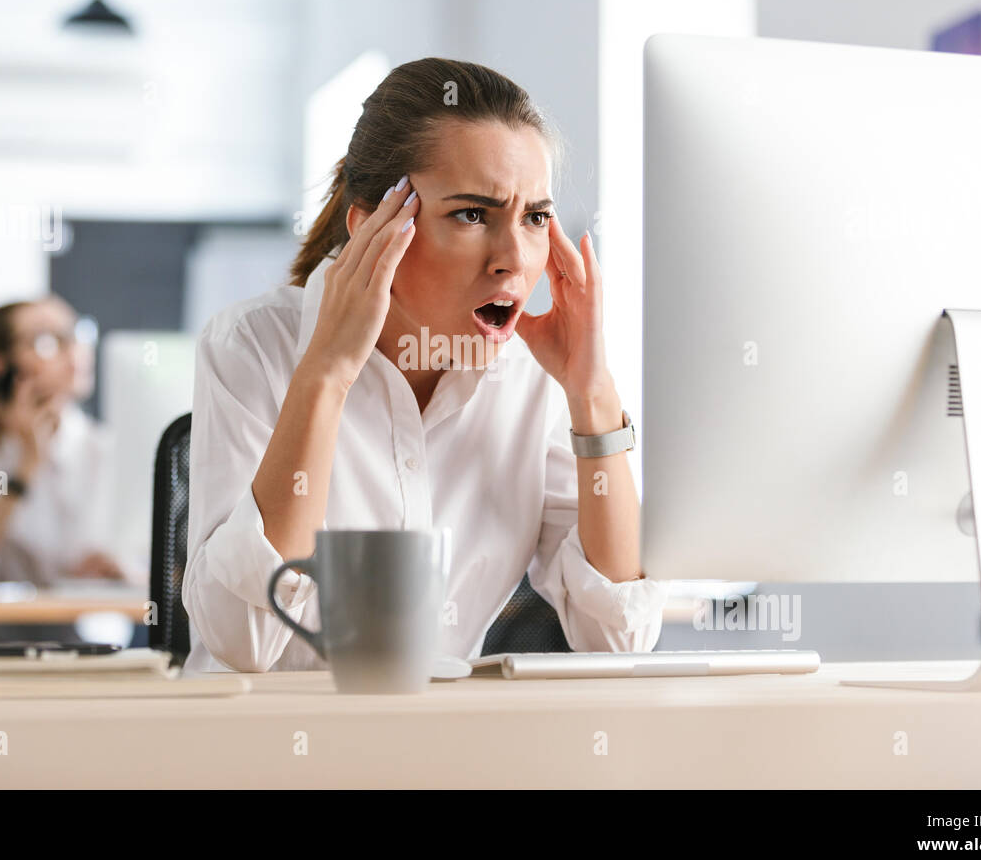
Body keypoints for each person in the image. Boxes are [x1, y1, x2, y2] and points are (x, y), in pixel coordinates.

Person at [183, 57, 670, 673]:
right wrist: (326, 377)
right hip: (263, 756)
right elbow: (241, 641)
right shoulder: (252, 344)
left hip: (436, 754)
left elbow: (620, 639)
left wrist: (593, 395)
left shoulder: (529, 383)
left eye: (536, 218)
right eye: (472, 214)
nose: (513, 259)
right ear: (371, 228)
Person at [0, 295, 125, 589]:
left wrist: (123, 571)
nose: (74, 351)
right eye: (47, 341)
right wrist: (25, 469)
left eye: (76, 335)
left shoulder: (104, 450)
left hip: (85, 628)